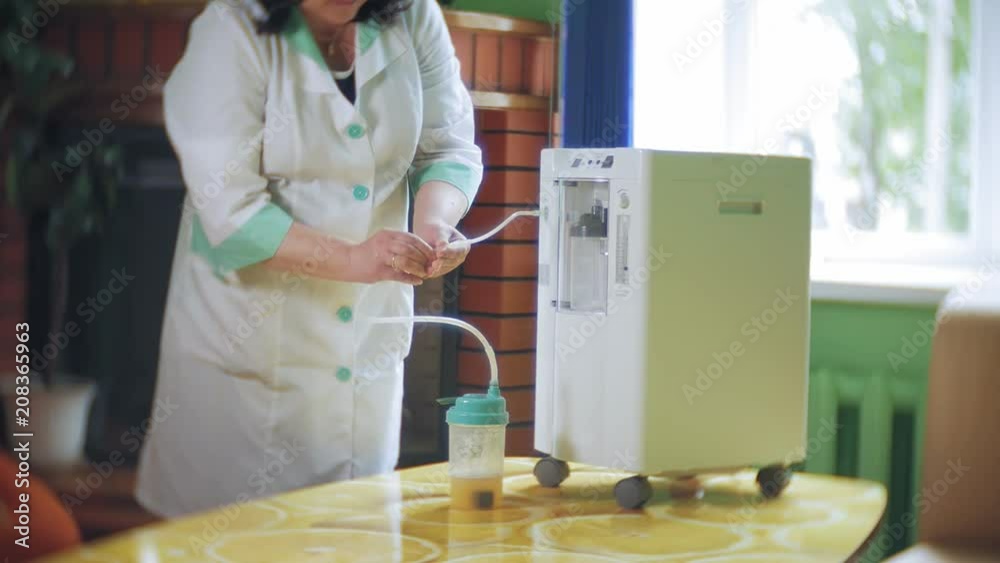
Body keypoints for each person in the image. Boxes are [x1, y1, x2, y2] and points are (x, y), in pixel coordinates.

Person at [136, 0, 482, 517]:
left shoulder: (414, 17)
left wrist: (434, 223)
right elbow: (230, 210)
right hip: (244, 364)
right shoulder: (229, 30)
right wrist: (355, 260)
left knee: (354, 537)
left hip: (364, 350)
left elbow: (447, 148)